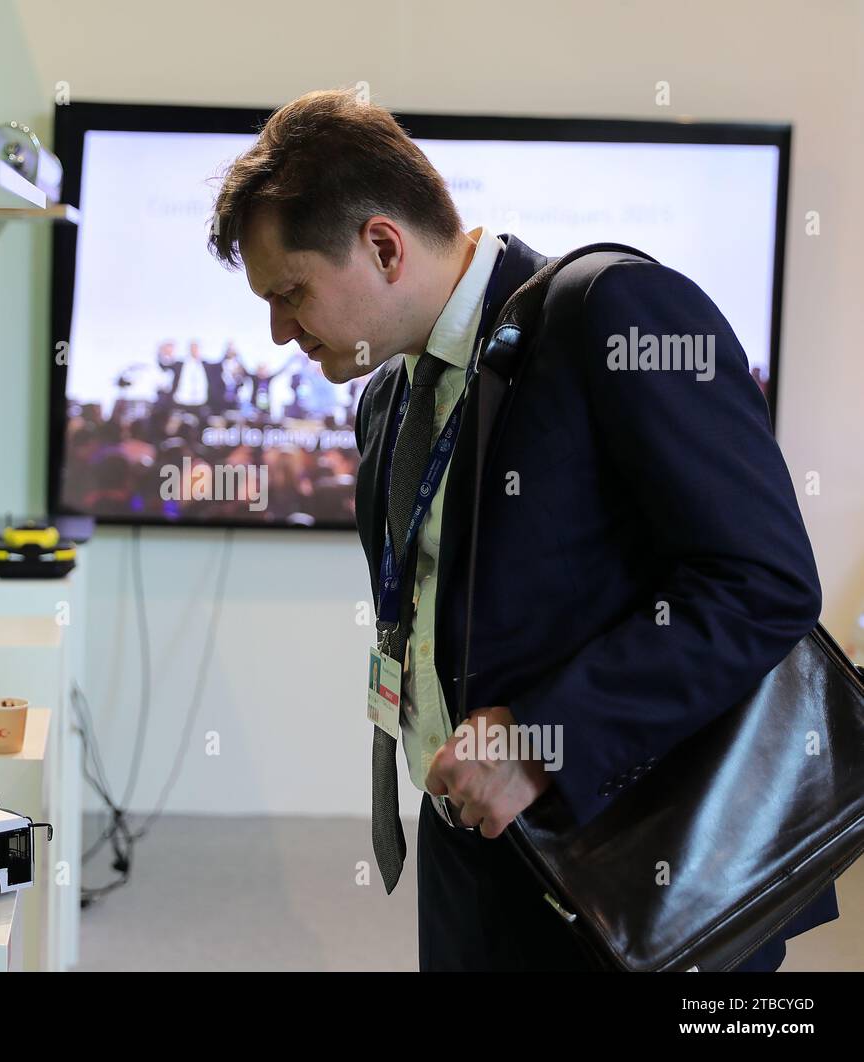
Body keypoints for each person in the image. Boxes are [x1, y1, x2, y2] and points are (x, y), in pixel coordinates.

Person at [206, 87, 838, 972]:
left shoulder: (613, 312)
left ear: (382, 245)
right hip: (471, 847)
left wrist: (544, 739)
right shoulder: (388, 398)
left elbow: (762, 583)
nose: (278, 333)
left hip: (643, 860)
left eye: (290, 293)